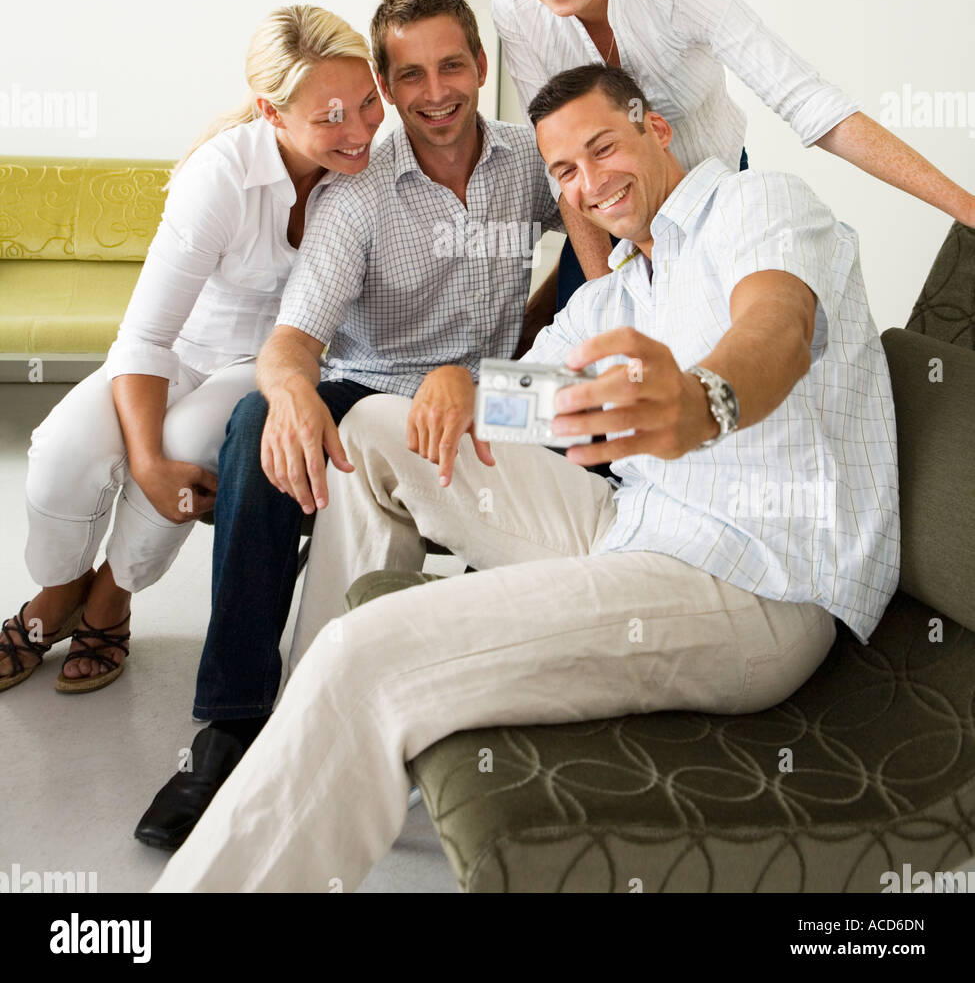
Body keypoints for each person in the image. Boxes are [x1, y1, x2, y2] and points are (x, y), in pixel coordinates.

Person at [148, 61, 899, 893]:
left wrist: (703, 399)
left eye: (602, 148)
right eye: (565, 172)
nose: (589, 183)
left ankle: (326, 722)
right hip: (635, 531)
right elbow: (515, 403)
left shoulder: (756, 206)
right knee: (367, 429)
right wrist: (458, 381)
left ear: (654, 129)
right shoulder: (618, 293)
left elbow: (778, 326)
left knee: (370, 656)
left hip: (756, 586)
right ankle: (316, 730)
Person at [133, 0, 564, 849]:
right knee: (255, 426)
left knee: (581, 422)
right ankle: (232, 724)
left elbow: (612, 230)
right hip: (366, 387)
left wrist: (536, 325)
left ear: (482, 67)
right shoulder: (357, 195)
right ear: (388, 84)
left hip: (490, 390)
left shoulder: (531, 160)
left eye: (451, 65)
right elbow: (293, 342)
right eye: (408, 75)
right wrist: (289, 390)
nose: (433, 91)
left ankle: (482, 705)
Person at [0, 6, 382, 695]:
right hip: (175, 350)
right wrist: (143, 462)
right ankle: (57, 596)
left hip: (268, 364)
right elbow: (145, 337)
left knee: (193, 434)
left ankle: (110, 603)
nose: (357, 132)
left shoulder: (366, 174)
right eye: (330, 116)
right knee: (62, 449)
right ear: (272, 112)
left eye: (366, 103)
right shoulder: (222, 174)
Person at [491, 0, 975, 300]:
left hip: (713, 198)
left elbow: (809, 101)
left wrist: (966, 208)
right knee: (591, 353)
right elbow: (556, 157)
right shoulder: (514, 5)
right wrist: (604, 296)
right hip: (607, 211)